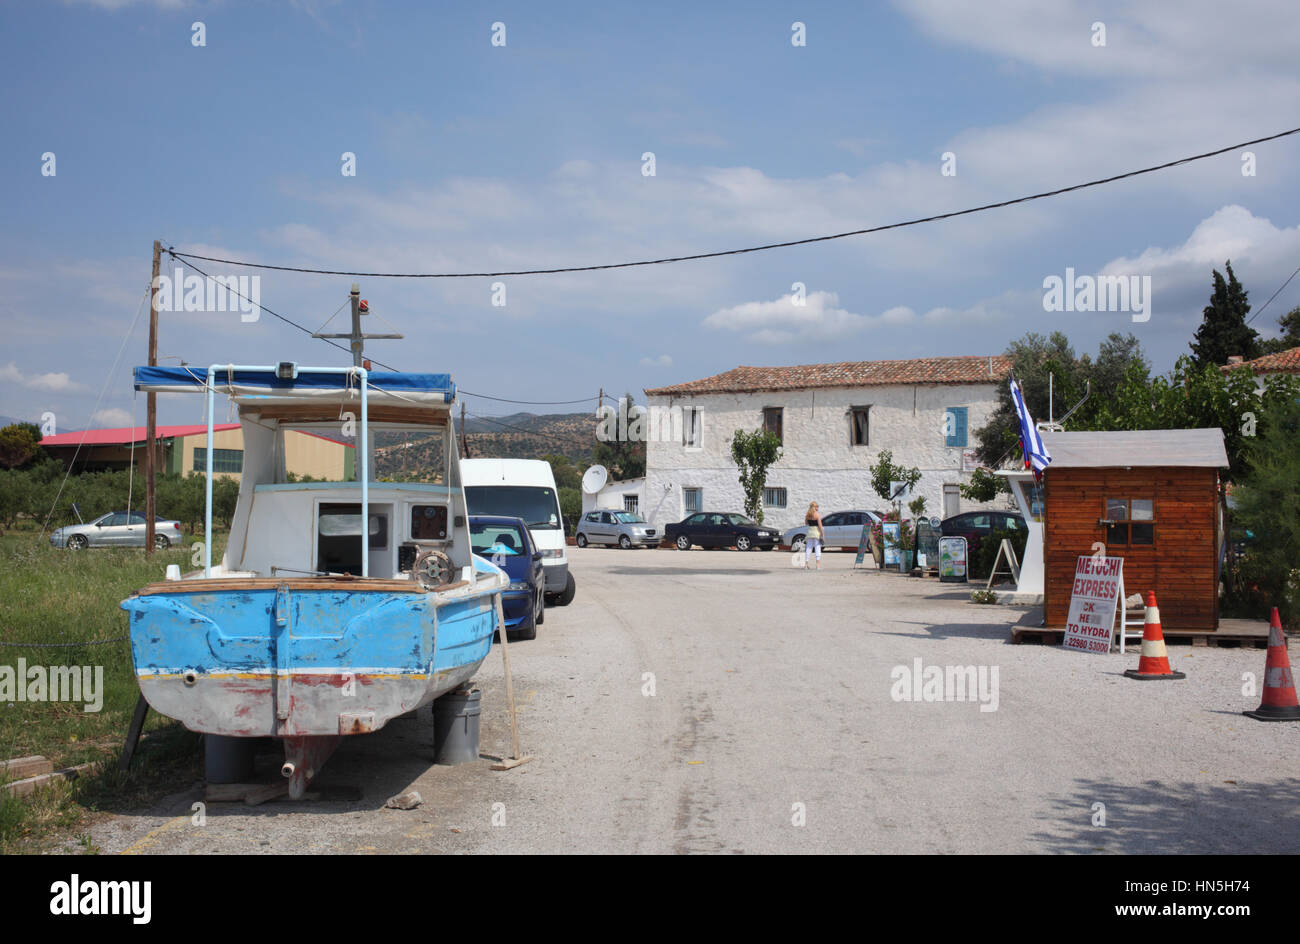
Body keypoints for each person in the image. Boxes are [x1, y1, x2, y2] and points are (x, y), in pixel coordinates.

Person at [804, 501, 825, 570]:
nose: (818, 508)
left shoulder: (807, 515)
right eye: (817, 506)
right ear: (815, 507)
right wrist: (823, 535)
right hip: (816, 533)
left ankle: (806, 564)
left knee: (808, 548)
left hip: (810, 533)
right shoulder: (817, 515)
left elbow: (806, 523)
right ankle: (818, 565)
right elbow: (820, 526)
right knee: (817, 548)